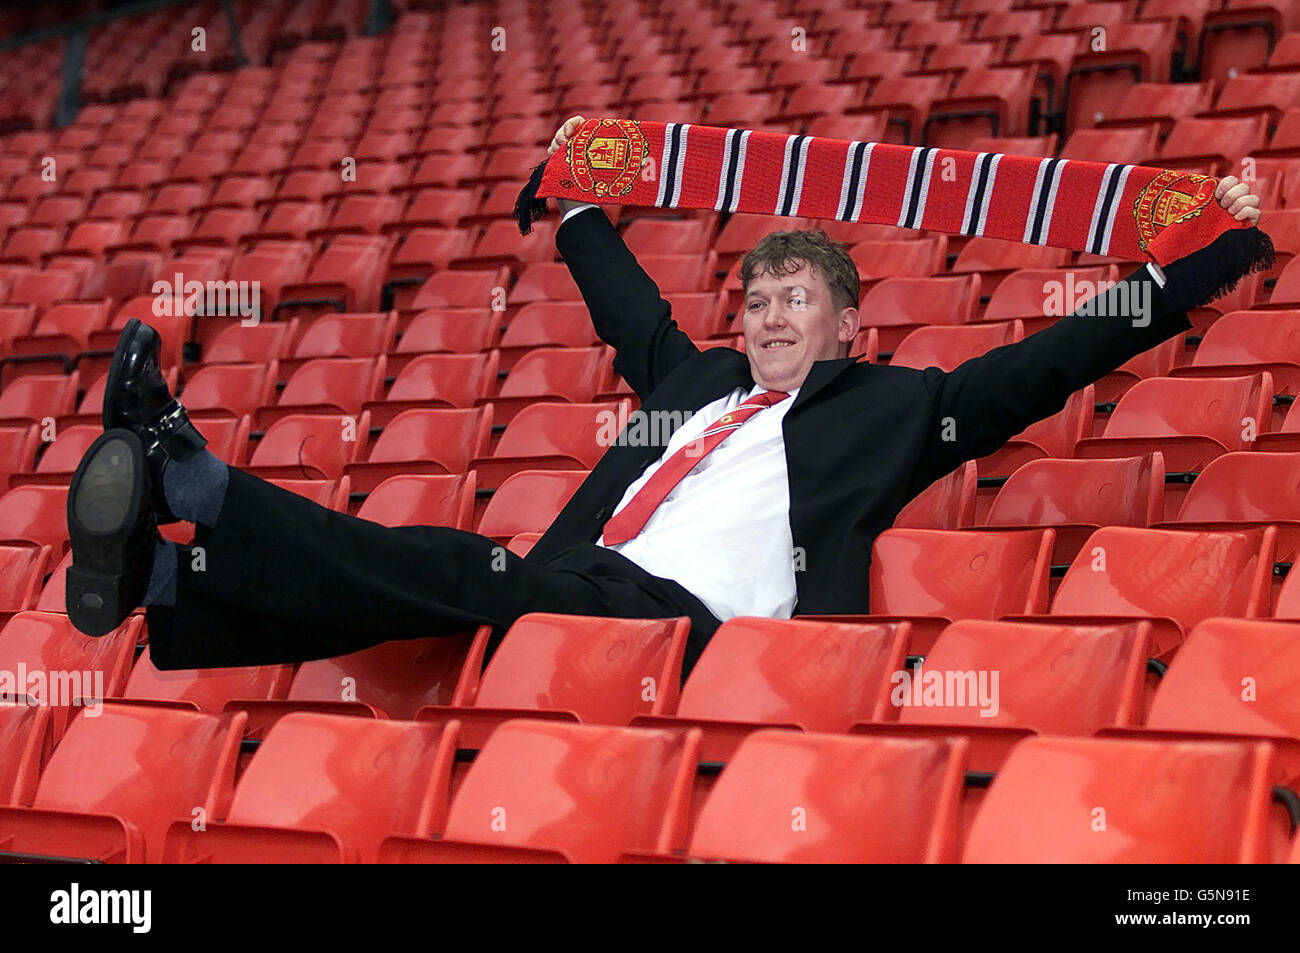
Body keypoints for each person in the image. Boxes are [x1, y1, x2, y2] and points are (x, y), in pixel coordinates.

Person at [63, 116, 1263, 675]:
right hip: (592, 579)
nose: (768, 314)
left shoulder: (900, 406)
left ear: (851, 322)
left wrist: (1176, 281)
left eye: (796, 298)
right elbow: (627, 309)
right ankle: (163, 579)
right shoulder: (694, 381)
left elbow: (1043, 365)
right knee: (410, 604)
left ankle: (192, 477)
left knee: (452, 566)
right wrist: (578, 207)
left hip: (697, 626)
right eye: (755, 296)